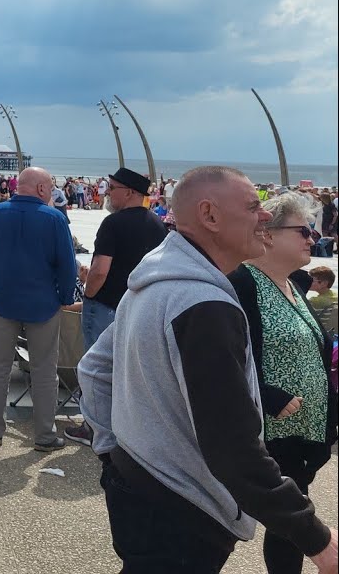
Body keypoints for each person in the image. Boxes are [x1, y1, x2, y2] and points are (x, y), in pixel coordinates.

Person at [79, 166, 338, 573]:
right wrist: (317, 540)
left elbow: (94, 370)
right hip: (182, 512)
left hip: (140, 492)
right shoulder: (204, 304)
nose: (264, 215)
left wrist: (116, 457)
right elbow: (233, 446)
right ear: (209, 215)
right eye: (252, 207)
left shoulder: (154, 281)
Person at [228, 193, 336, 574]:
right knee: (285, 519)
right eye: (304, 231)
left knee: (289, 522)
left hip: (301, 431)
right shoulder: (242, 283)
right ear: (268, 234)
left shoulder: (292, 285)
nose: (313, 238)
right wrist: (268, 395)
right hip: (272, 432)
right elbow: (228, 356)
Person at [0, 167, 77, 451]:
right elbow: (67, 265)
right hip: (43, 304)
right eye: (50, 187)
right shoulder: (54, 218)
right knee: (44, 371)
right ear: (42, 189)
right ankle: (44, 435)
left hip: (2, 301)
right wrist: (65, 296)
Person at [65, 167, 168, 447]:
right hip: (139, 305)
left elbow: (100, 270)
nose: (107, 193)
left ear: (130, 192)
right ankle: (126, 428)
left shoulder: (113, 223)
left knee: (96, 369)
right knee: (129, 369)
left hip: (106, 304)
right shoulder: (157, 225)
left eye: (112, 188)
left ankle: (93, 428)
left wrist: (89, 294)